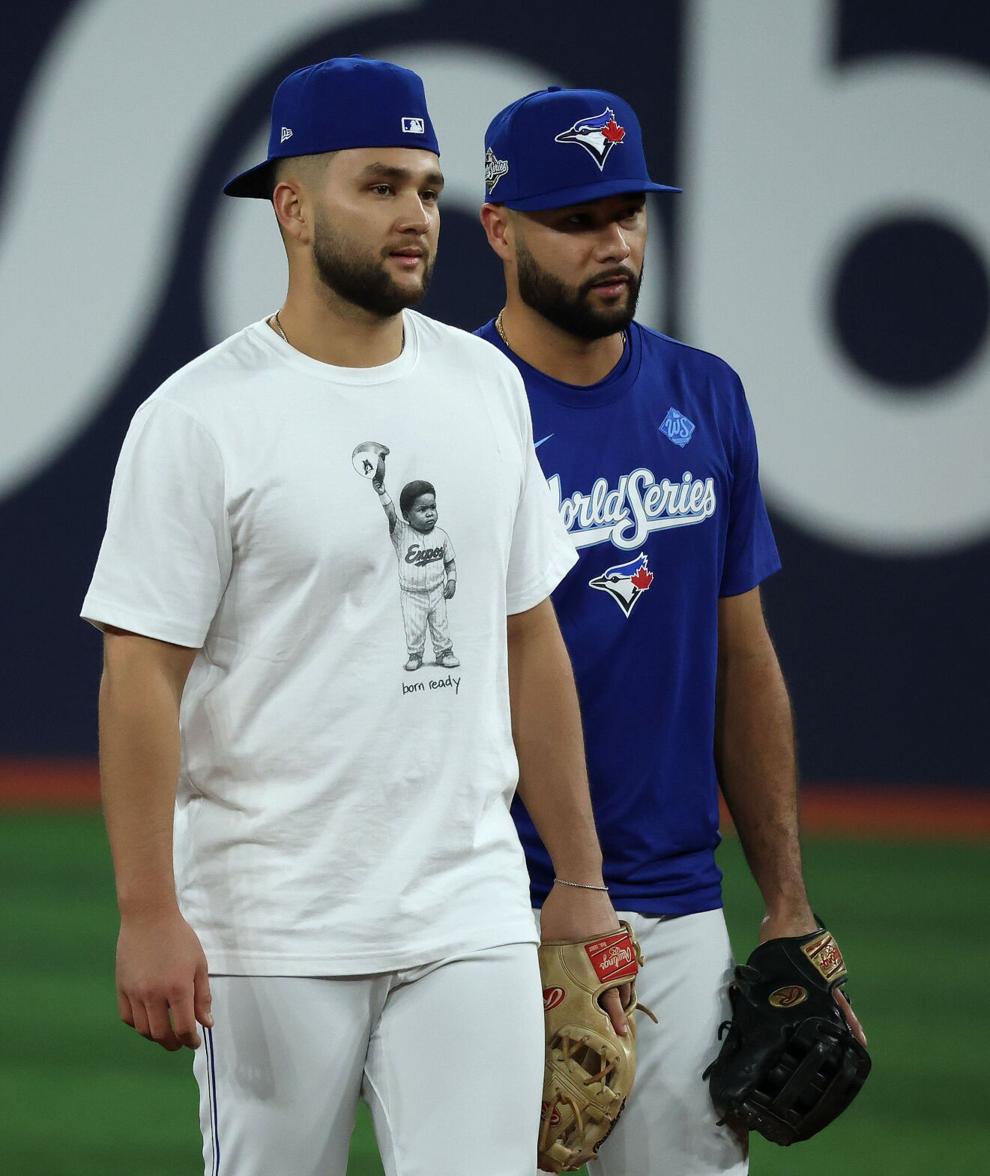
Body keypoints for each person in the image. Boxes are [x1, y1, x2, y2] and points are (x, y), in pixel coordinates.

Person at [82, 58, 624, 1176]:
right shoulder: (200, 419)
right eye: (379, 186)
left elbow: (530, 637)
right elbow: (141, 674)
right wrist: (148, 910)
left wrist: (580, 880)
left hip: (468, 907)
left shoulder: (484, 385)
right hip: (272, 923)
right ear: (293, 207)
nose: (416, 215)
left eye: (427, 189)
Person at [476, 86, 866, 1175]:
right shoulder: (453, 404)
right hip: (490, 903)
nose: (613, 243)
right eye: (577, 218)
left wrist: (787, 904)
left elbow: (743, 658)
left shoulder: (708, 394)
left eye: (629, 212)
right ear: (500, 230)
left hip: (677, 903)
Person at [370, 448, 459, 670]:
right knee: (414, 627)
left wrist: (451, 580)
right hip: (412, 595)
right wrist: (382, 492)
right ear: (407, 515)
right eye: (422, 509)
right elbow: (390, 513)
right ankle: (415, 655)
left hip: (436, 592)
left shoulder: (441, 535)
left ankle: (444, 652)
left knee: (440, 625)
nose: (430, 513)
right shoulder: (401, 533)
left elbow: (449, 563)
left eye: (433, 507)